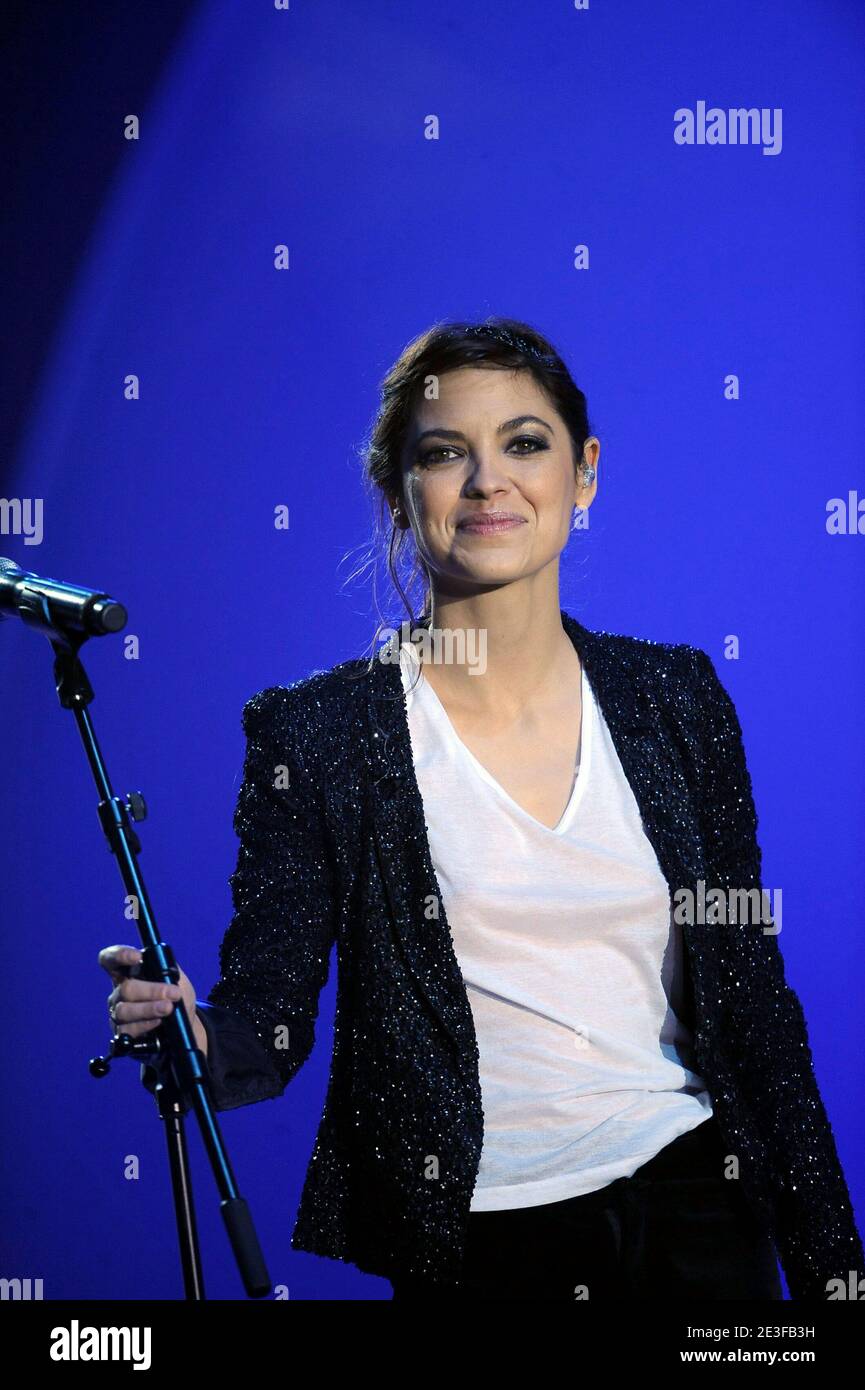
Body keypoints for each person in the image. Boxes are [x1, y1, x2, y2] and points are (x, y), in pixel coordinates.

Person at [99, 317, 864, 1301]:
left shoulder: (676, 699)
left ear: (582, 472)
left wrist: (835, 1278)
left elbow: (756, 1009)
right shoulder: (320, 733)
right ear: (398, 490)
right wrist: (195, 1036)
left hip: (699, 1206)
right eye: (443, 453)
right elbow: (270, 1022)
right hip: (485, 1236)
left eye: (524, 443)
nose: (487, 481)